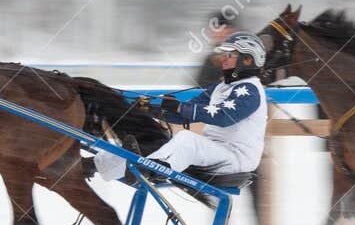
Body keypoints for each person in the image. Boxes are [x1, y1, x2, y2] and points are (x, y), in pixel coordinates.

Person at [96, 32, 268, 180]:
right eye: (224, 53)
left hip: (237, 159)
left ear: (247, 60)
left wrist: (179, 107)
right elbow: (185, 112)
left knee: (186, 140)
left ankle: (148, 169)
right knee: (158, 144)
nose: (223, 58)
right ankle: (94, 165)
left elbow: (224, 117)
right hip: (216, 152)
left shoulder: (250, 89)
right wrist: (149, 109)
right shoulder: (220, 87)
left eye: (230, 54)